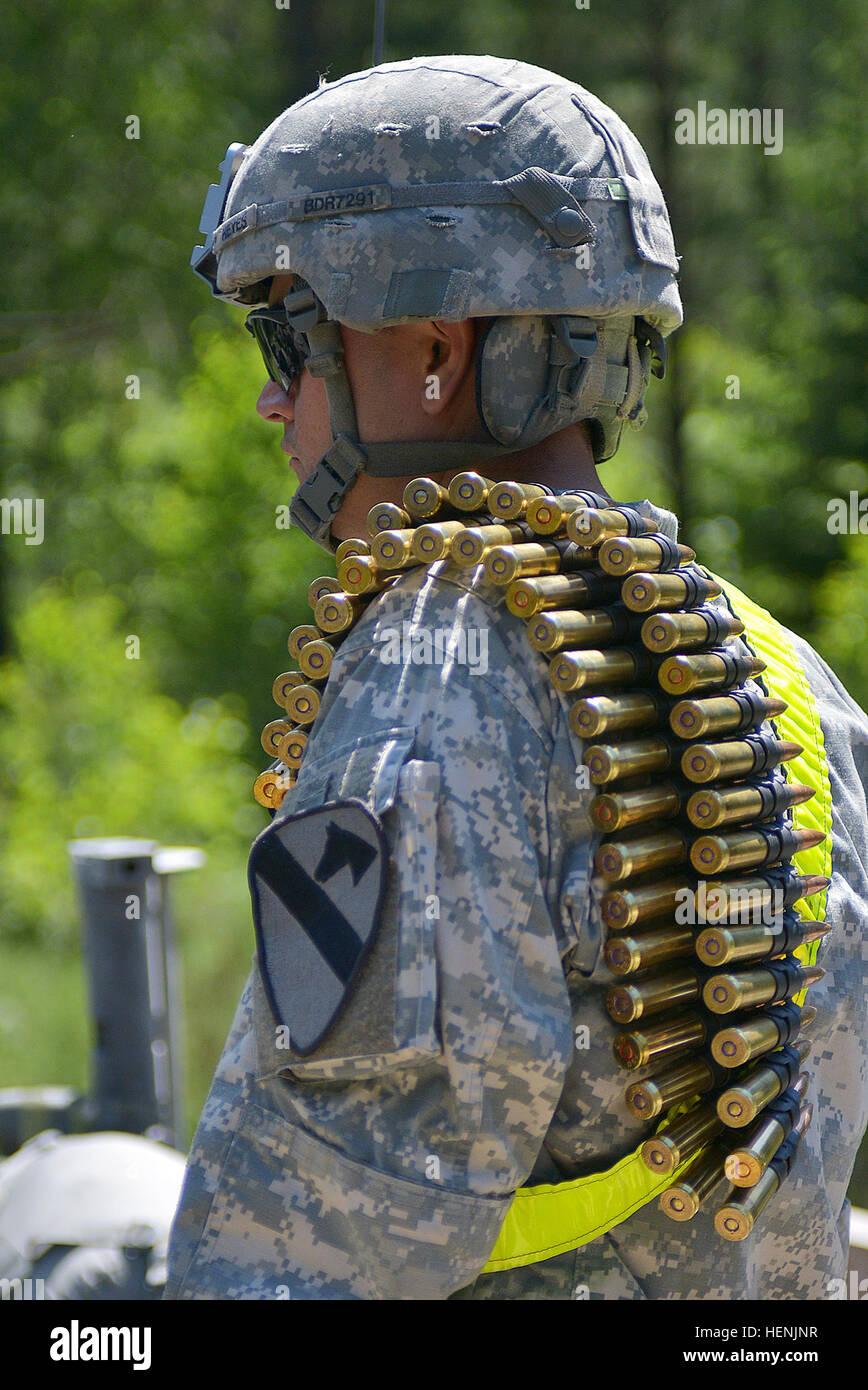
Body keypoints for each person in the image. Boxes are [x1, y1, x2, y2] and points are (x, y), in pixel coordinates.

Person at [165, 55, 867, 1300]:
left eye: (290, 332)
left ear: (433, 351)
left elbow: (302, 1248)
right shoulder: (794, 677)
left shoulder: (435, 664)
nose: (274, 400)